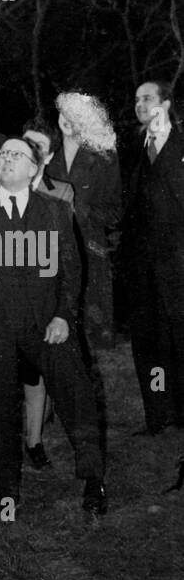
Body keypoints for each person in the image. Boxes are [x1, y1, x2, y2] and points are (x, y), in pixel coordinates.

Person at [0, 138, 106, 518]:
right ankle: (5, 494)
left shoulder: (56, 211)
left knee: (76, 395)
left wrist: (62, 315)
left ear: (34, 169)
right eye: (3, 154)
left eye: (17, 155)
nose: (7, 159)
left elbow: (71, 270)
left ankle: (94, 480)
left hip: (48, 324)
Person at [122, 80, 184, 435]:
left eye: (147, 98)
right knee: (148, 342)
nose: (140, 104)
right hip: (142, 268)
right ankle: (158, 414)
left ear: (166, 104)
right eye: (136, 99)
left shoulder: (180, 145)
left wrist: (164, 144)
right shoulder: (133, 147)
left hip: (178, 264)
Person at [18, 117, 76, 470]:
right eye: (27, 143)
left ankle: (34, 439)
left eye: (39, 146)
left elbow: (64, 252)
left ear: (50, 155)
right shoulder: (1, 182)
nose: (32, 151)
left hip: (43, 293)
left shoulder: (61, 192)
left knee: (37, 372)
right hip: (7, 292)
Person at [47, 92, 122, 351]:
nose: (68, 120)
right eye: (64, 112)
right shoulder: (47, 157)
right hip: (52, 250)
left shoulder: (104, 159)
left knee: (91, 327)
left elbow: (115, 211)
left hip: (90, 248)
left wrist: (83, 211)